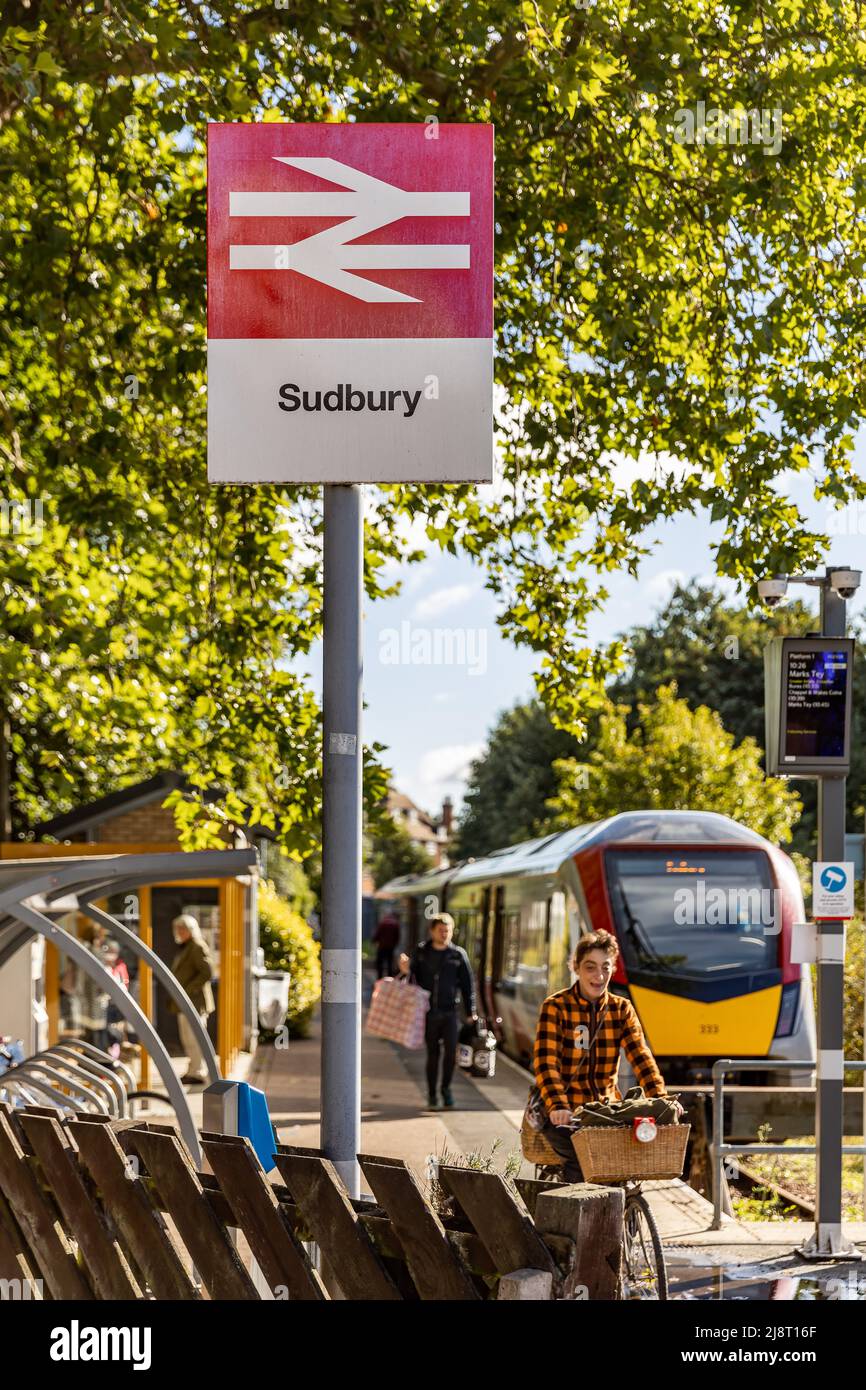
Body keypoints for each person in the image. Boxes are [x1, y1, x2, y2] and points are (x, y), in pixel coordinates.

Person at [532, 929, 667, 1180]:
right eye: (590, 967)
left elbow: (640, 1057)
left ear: (613, 968)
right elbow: (545, 1062)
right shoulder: (556, 1007)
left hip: (605, 1110)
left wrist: (661, 1100)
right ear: (576, 967)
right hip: (564, 1110)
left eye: (606, 967)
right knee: (579, 1162)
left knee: (622, 1165)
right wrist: (559, 1106)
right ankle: (569, 1218)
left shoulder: (621, 1009)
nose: (599, 976)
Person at [399, 914, 476, 1110]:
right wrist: (405, 968)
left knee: (451, 1053)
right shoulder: (422, 951)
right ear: (432, 931)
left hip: (450, 1012)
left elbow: (468, 986)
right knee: (433, 1054)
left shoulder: (457, 955)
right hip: (427, 1012)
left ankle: (446, 1089)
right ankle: (432, 1094)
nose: (444, 934)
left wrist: (470, 1012)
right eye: (441, 930)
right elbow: (410, 977)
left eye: (448, 930)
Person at [167, 913, 215, 1084]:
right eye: (177, 929)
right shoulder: (186, 947)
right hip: (184, 1003)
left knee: (195, 1038)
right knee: (187, 1039)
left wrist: (188, 990)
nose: (178, 932)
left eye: (182, 929)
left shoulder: (197, 946)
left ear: (190, 930)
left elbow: (207, 972)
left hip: (195, 1002)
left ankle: (198, 1071)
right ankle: (193, 1069)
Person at [372, 909, 401, 978]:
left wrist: (374, 941)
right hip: (390, 947)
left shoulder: (383, 923)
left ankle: (379, 978)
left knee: (380, 963)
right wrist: (394, 944)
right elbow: (397, 937)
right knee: (389, 963)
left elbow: (378, 934)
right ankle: (389, 978)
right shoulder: (395, 924)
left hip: (382, 946)